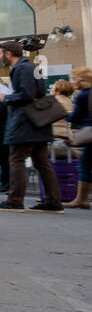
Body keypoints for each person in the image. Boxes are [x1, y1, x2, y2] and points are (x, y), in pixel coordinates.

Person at [0, 40, 63, 213]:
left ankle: (15, 201)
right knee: (42, 162)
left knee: (17, 159)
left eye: (0, 54)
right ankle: (53, 201)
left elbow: (26, 95)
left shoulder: (21, 69)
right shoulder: (31, 67)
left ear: (8, 54)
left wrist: (6, 98)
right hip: (37, 122)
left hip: (25, 123)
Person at [63, 66, 91, 209]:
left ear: (81, 80)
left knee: (85, 166)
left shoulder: (83, 95)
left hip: (89, 134)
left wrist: (66, 114)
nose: (71, 82)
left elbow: (76, 117)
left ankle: (81, 199)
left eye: (73, 79)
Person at [51, 80, 76, 145]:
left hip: (54, 136)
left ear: (58, 91)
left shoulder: (52, 102)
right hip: (68, 137)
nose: (51, 89)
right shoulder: (71, 103)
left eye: (52, 88)